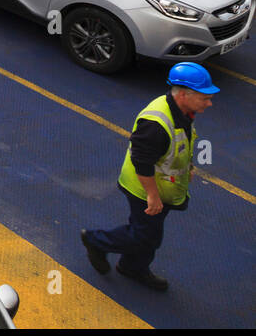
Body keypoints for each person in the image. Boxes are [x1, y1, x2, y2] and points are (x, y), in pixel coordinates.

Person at [80, 62, 216, 291]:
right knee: (145, 236)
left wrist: (189, 166)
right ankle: (96, 241)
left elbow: (181, 143)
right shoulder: (156, 124)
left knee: (148, 234)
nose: (209, 103)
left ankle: (132, 267)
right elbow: (142, 162)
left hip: (163, 189)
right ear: (184, 94)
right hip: (144, 190)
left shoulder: (182, 111)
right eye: (205, 98)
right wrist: (152, 196)